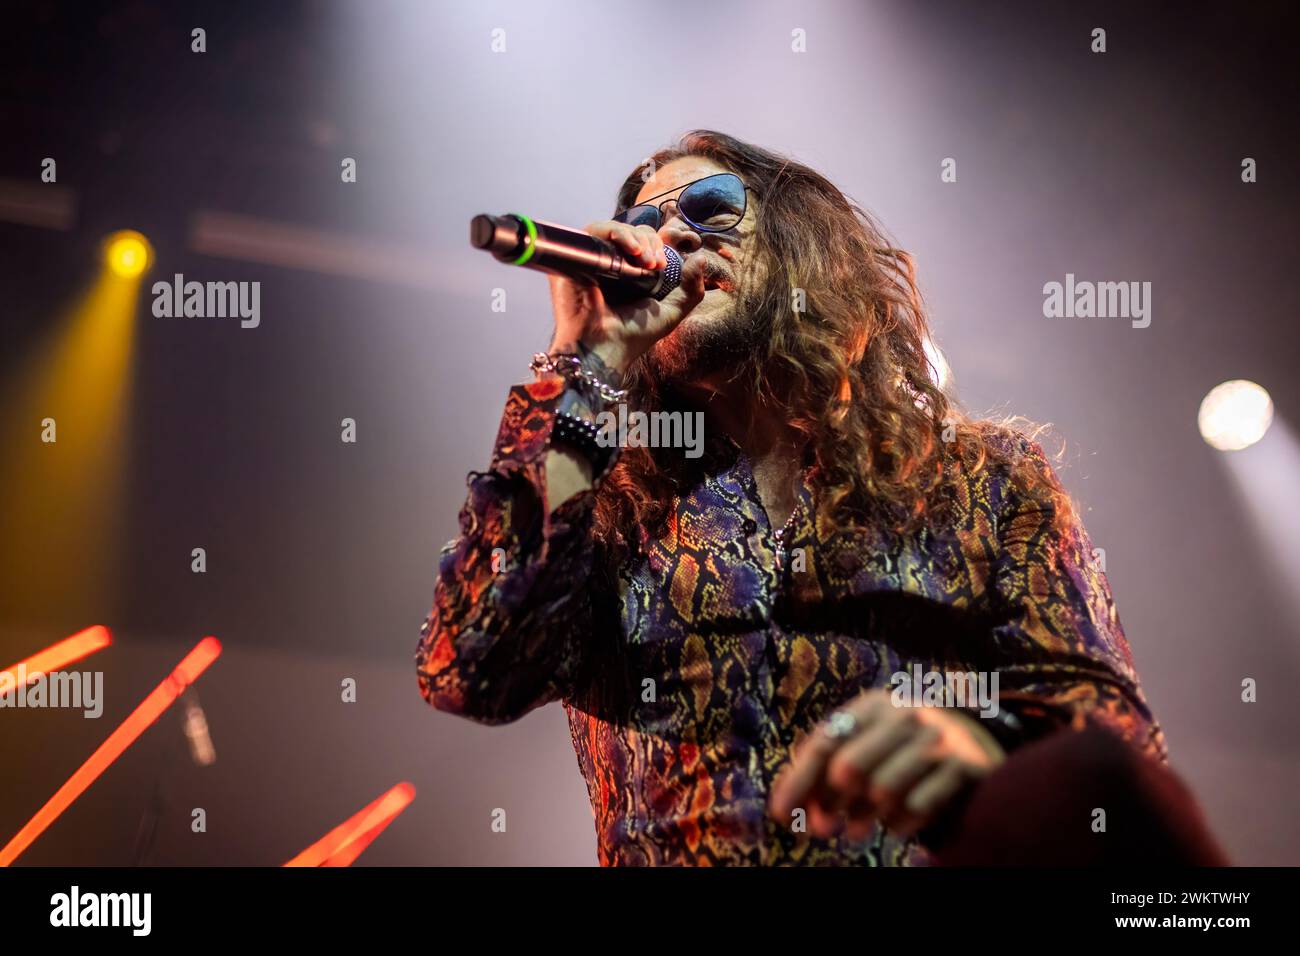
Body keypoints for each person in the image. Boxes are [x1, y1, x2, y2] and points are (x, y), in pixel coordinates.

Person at [415, 130, 1224, 866]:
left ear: (807, 250)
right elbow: (473, 671)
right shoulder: (603, 508)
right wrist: (581, 361)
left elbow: (1113, 742)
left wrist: (983, 737)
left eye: (711, 206)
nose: (673, 235)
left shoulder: (984, 482)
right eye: (646, 220)